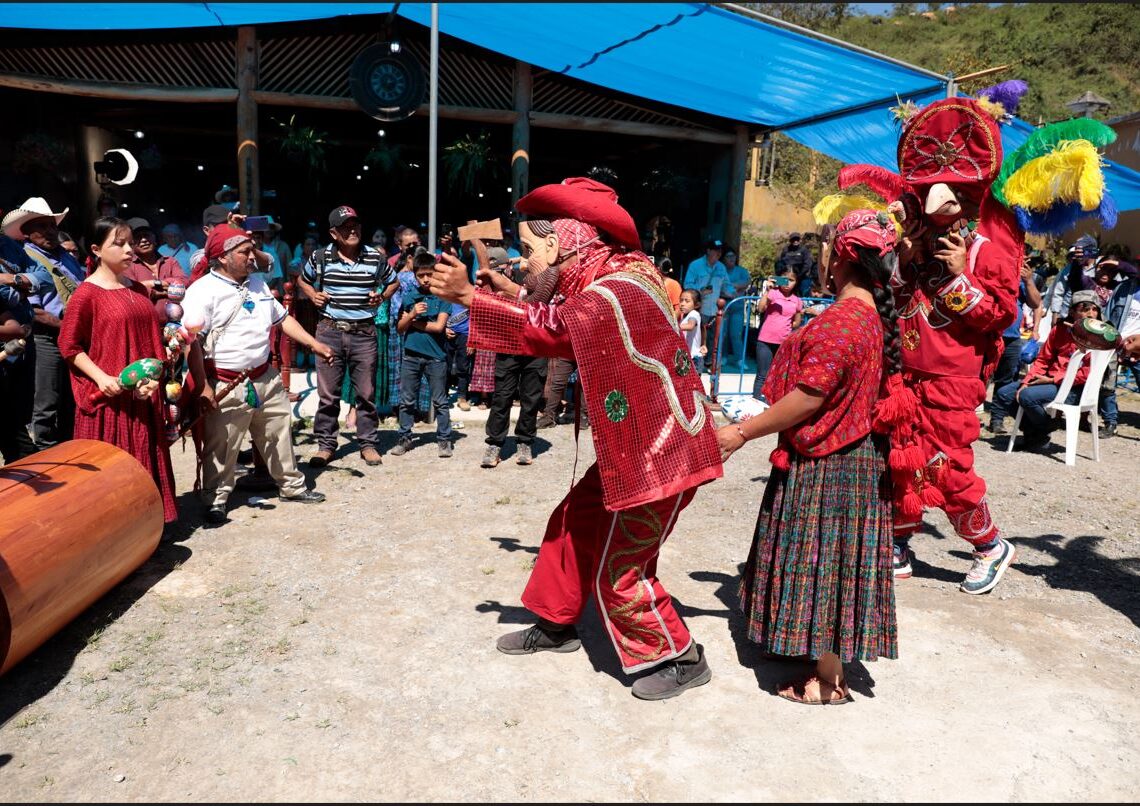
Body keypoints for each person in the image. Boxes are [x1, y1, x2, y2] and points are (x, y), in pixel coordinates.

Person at [428, 177, 722, 701]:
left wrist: (472, 296)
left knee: (621, 566)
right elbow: (570, 313)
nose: (522, 261)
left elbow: (564, 327)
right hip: (642, 444)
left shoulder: (616, 289)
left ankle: (680, 656)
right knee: (572, 521)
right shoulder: (620, 273)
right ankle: (557, 621)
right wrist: (515, 293)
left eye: (528, 250)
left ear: (559, 246)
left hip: (662, 454)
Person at [716, 209, 899, 705]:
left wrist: (741, 432)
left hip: (829, 462)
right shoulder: (866, 316)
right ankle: (822, 660)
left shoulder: (845, 320)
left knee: (822, 561)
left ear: (838, 256)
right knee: (833, 561)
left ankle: (827, 680)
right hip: (852, 457)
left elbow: (811, 396)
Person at [182, 224, 331, 523]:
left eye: (251, 250)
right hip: (226, 382)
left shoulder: (258, 284)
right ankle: (217, 499)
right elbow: (190, 343)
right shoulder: (201, 291)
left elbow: (282, 319)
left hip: (266, 376)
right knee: (222, 444)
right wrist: (203, 387)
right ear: (222, 257)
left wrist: (314, 344)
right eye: (245, 252)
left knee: (278, 434)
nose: (253, 257)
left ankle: (291, 486)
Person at [57, 217, 177, 523]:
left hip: (141, 395)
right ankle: (117, 533)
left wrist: (153, 380)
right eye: (118, 243)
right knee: (114, 468)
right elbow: (69, 346)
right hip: (110, 397)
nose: (128, 249)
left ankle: (148, 524)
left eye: (129, 242)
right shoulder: (86, 294)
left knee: (144, 456)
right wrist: (103, 378)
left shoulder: (137, 288)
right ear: (96, 250)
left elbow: (150, 344)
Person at [297, 205, 398, 468]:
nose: (352, 231)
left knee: (366, 393)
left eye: (355, 226)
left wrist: (382, 295)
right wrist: (312, 295)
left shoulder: (375, 257)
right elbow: (302, 280)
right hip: (329, 331)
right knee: (328, 394)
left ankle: (367, 443)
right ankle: (326, 445)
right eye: (345, 227)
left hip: (364, 332)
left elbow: (393, 281)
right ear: (333, 233)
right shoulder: (320, 257)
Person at [7, 197, 86, 450]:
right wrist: (71, 329)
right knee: (48, 401)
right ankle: (47, 452)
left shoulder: (66, 256)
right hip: (46, 338)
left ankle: (70, 449)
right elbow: (35, 311)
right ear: (27, 232)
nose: (50, 231)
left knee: (71, 398)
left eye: (52, 226)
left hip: (72, 334)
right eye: (42, 227)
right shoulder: (26, 258)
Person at [990, 290, 1102, 452]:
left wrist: (1051, 379)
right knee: (1005, 393)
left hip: (1075, 389)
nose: (1091, 313)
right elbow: (1043, 359)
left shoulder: (1101, 337)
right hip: (1050, 381)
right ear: (1072, 312)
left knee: (1027, 396)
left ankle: (1043, 429)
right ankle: (1036, 432)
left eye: (1094, 309)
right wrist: (1027, 380)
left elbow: (1085, 374)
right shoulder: (1061, 330)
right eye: (1084, 309)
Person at [477, 247, 549, 469]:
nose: (498, 275)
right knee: (502, 397)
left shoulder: (527, 279)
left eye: (500, 269)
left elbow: (540, 301)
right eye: (493, 271)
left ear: (509, 266)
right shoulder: (487, 285)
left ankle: (525, 441)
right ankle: (494, 443)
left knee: (531, 397)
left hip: (535, 346)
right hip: (507, 347)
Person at [389, 251, 454, 458]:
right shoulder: (410, 297)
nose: (426, 279)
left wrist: (413, 322)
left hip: (436, 357)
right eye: (421, 275)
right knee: (406, 400)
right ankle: (404, 437)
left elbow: (439, 327)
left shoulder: (443, 297)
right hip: (411, 355)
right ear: (414, 275)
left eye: (429, 274)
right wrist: (412, 314)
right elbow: (399, 328)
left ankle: (444, 440)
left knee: (440, 401)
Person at [987, 250, 1043, 435]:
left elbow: (1036, 303)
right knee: (981, 377)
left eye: (1026, 259)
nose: (1025, 261)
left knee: (1005, 380)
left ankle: (996, 420)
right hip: (989, 334)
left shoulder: (1024, 278)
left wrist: (1028, 280)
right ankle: (966, 415)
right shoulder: (994, 269)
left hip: (1012, 338)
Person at [751, 268, 803, 403]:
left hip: (783, 342)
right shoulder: (772, 293)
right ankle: (755, 403)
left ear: (796, 283)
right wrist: (767, 291)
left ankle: (772, 403)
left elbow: (797, 321)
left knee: (779, 375)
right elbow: (760, 308)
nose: (787, 283)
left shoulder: (797, 300)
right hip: (765, 340)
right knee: (762, 375)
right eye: (784, 280)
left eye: (791, 280)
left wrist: (787, 327)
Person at [124, 221, 189, 323]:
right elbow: (133, 293)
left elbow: (183, 282)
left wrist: (153, 287)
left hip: (173, 325)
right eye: (138, 237)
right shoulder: (128, 266)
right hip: (145, 325)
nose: (144, 240)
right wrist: (169, 290)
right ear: (131, 243)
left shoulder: (170, 262)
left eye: (147, 235)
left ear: (155, 239)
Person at [684, 239, 730, 327]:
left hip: (716, 312)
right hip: (699, 310)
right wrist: (700, 291)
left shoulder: (722, 267)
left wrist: (734, 292)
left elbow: (727, 286)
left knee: (714, 340)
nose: (719, 253)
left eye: (721, 250)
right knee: (698, 339)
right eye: (716, 250)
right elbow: (687, 285)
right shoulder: (695, 265)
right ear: (708, 250)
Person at [721, 247, 754, 368]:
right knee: (723, 333)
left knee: (736, 334)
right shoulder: (721, 269)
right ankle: (722, 357)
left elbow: (746, 283)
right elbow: (721, 285)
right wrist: (734, 287)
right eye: (728, 256)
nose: (731, 259)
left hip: (737, 306)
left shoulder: (742, 270)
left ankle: (739, 359)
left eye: (733, 256)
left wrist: (732, 286)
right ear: (724, 259)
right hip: (723, 305)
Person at [777, 232, 816, 297]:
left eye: (797, 239)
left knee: (803, 291)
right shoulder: (786, 249)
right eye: (793, 239)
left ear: (800, 240)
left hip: (801, 276)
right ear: (790, 241)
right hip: (786, 275)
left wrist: (799, 275)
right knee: (779, 288)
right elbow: (780, 262)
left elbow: (807, 264)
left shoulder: (804, 250)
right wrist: (782, 274)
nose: (795, 241)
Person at [679, 288, 706, 374]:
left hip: (694, 358)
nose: (682, 304)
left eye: (687, 301)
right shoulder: (684, 317)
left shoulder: (694, 313)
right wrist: (703, 344)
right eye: (681, 300)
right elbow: (703, 329)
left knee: (694, 385)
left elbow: (690, 326)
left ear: (697, 305)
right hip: (687, 356)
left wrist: (673, 326)